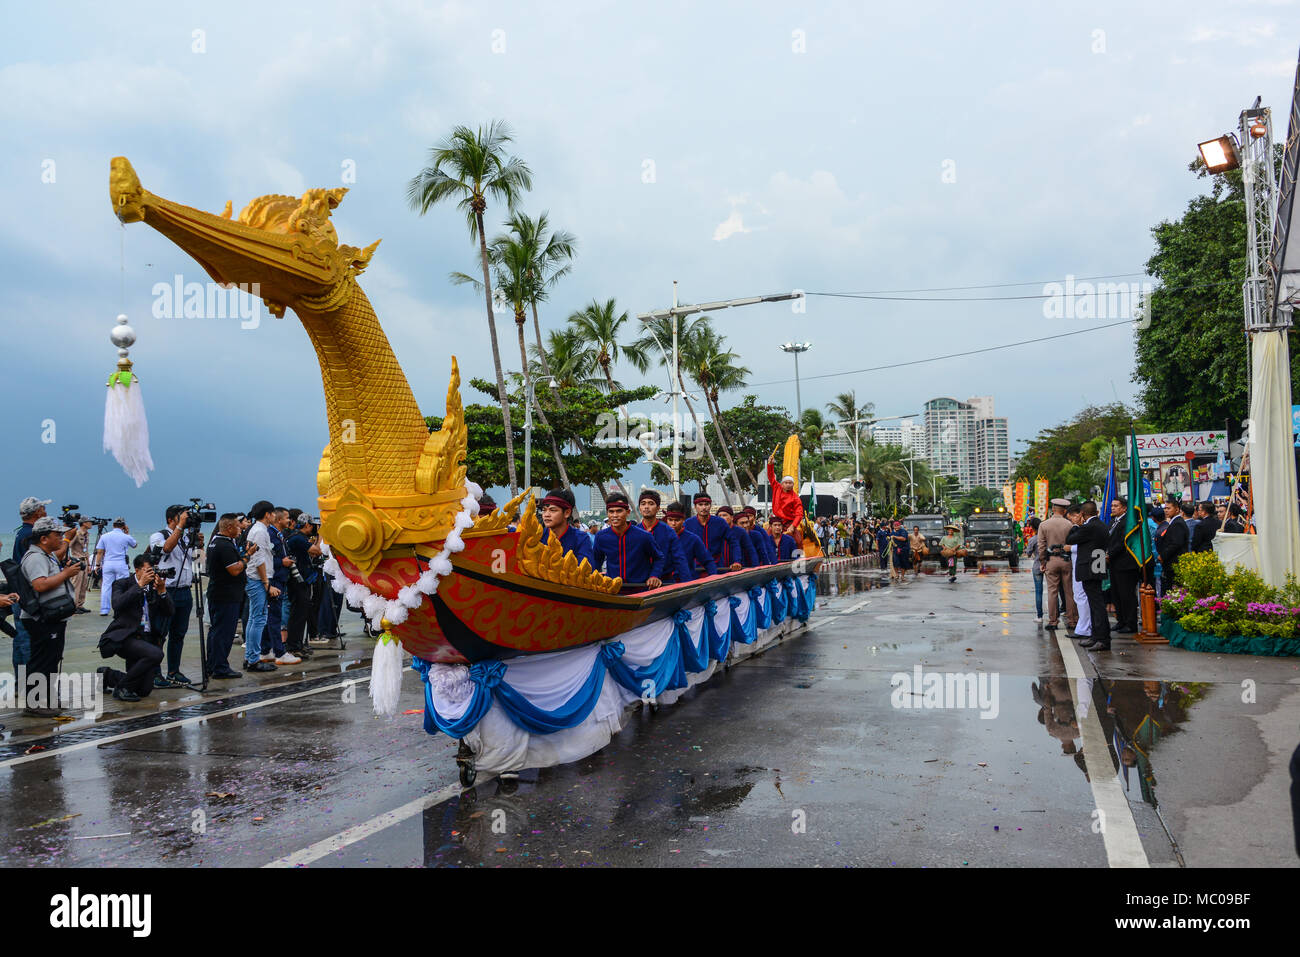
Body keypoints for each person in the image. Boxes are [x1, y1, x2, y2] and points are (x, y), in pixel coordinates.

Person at [19, 516, 83, 716]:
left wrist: (65, 570)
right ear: (44, 538)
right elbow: (40, 584)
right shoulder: (36, 557)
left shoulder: (48, 555)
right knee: (41, 661)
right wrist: (66, 574)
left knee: (51, 659)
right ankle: (34, 703)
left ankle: (45, 699)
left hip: (53, 617)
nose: (61, 537)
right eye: (58, 535)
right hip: (41, 618)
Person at [98, 553, 172, 701]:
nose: (151, 574)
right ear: (137, 570)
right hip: (126, 637)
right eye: (147, 570)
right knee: (156, 654)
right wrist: (139, 585)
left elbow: (169, 611)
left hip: (146, 638)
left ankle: (107, 675)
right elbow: (117, 604)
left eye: (153, 570)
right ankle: (121, 688)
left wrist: (162, 591)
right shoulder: (122, 584)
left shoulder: (153, 587)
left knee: (143, 690)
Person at [147, 505, 204, 686]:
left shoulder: (186, 538)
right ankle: (155, 673)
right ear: (172, 519)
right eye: (182, 517)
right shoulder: (159, 535)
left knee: (178, 634)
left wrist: (199, 545)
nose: (185, 520)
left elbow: (199, 564)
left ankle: (174, 671)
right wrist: (180, 527)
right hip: (166, 590)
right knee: (159, 634)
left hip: (185, 591)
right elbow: (165, 549)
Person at [205, 514, 254, 678]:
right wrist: (247, 556)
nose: (241, 529)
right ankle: (220, 667)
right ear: (229, 528)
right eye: (238, 527)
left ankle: (212, 664)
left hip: (219, 592)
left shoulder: (214, 542)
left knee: (216, 630)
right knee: (224, 632)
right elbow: (234, 569)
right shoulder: (224, 545)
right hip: (226, 594)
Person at [592, 493, 665, 588]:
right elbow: (596, 561)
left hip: (640, 590)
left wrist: (654, 576)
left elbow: (658, 558)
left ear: (628, 512)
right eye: (611, 511)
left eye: (619, 511)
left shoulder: (643, 536)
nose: (615, 515)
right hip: (611, 590)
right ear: (607, 514)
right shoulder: (601, 536)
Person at [1067, 501, 1111, 651]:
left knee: (1097, 605)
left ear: (1083, 514)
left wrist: (1075, 526)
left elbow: (1070, 539)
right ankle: (1095, 635)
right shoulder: (1102, 525)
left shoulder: (1089, 527)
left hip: (1089, 567)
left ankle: (1102, 639)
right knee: (1094, 603)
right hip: (1097, 565)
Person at [242, 501, 279, 672]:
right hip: (257, 579)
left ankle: (250, 656)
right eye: (273, 513)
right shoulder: (260, 532)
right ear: (267, 514)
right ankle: (253, 659)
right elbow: (258, 559)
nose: (274, 516)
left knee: (253, 619)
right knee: (259, 619)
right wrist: (266, 583)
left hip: (255, 578)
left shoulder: (257, 530)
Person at [285, 514, 323, 658]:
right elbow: (317, 551)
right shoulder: (298, 538)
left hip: (302, 580)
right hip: (297, 581)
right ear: (307, 525)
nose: (314, 528)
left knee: (301, 613)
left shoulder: (299, 538)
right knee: (298, 614)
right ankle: (293, 646)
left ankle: (298, 644)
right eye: (313, 525)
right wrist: (321, 536)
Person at [1038, 498, 1077, 632]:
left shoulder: (1044, 525)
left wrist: (1043, 562)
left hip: (1051, 561)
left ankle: (1053, 621)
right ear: (1065, 511)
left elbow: (1041, 546)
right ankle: (1072, 621)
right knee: (1069, 592)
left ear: (1053, 509)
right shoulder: (1070, 525)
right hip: (1067, 560)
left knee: (1052, 592)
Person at [635, 490, 689, 582]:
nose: (646, 507)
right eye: (643, 504)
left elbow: (680, 560)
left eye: (651, 504)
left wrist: (688, 585)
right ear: (639, 508)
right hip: (639, 584)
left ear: (658, 508)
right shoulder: (634, 532)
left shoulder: (668, 532)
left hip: (665, 582)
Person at [1106, 498, 1140, 635]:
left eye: (1116, 506)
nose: (1113, 508)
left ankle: (1130, 623)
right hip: (1114, 564)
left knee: (1127, 595)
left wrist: (1110, 554)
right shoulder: (1113, 521)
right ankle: (1121, 620)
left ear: (1124, 508)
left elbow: (1122, 542)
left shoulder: (1127, 522)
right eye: (1112, 506)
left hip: (1126, 564)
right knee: (1116, 594)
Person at [663, 502, 718, 579]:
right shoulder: (659, 537)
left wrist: (713, 578)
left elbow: (708, 561)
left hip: (687, 583)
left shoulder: (693, 539)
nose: (673, 523)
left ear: (683, 520)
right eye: (670, 520)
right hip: (664, 583)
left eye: (677, 520)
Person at [94, 518, 137, 616]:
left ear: (113, 525)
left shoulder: (105, 536)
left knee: (106, 586)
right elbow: (134, 545)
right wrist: (127, 533)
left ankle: (104, 609)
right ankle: (121, 608)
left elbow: (100, 552)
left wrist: (97, 565)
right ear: (123, 526)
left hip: (108, 563)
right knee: (122, 586)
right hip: (121, 563)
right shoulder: (125, 537)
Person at [765, 452, 805, 546]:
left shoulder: (796, 498)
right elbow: (771, 477)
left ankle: (799, 559)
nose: (788, 484)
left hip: (788, 523)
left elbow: (799, 515)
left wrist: (793, 526)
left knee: (798, 541)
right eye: (786, 483)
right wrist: (770, 464)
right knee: (766, 539)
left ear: (793, 484)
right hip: (776, 521)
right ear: (782, 484)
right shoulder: (777, 487)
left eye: (790, 483)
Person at [683, 493, 730, 572]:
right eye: (700, 504)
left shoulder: (720, 523)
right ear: (695, 506)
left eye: (706, 504)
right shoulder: (687, 524)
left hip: (717, 567)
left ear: (710, 505)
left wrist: (737, 561)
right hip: (695, 568)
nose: (704, 507)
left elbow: (733, 542)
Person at [1156, 500, 1190, 590]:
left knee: (1175, 589)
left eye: (1169, 508)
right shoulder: (1173, 522)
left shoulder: (1178, 523)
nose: (1166, 511)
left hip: (1175, 562)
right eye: (1165, 508)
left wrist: (1162, 556)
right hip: (1171, 563)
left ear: (1177, 509)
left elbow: (1176, 543)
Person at [715, 505, 758, 570]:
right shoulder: (715, 531)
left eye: (724, 515)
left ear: (732, 517)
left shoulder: (740, 531)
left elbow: (750, 550)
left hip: (737, 568)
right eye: (719, 516)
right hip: (719, 568)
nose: (721, 518)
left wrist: (756, 568)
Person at [68, 518, 93, 612]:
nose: (91, 524)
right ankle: (73, 606)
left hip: (84, 561)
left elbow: (86, 550)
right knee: (76, 584)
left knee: (83, 584)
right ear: (84, 523)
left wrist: (89, 565)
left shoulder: (86, 535)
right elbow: (69, 545)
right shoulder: (77, 534)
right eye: (89, 522)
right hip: (77, 561)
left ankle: (80, 604)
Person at [1025, 516, 1044, 624]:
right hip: (1048, 565)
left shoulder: (1033, 539)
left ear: (1032, 527)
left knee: (1038, 592)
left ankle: (1039, 616)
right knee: (1053, 591)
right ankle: (1055, 616)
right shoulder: (1047, 538)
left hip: (1037, 566)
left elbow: (1028, 553)